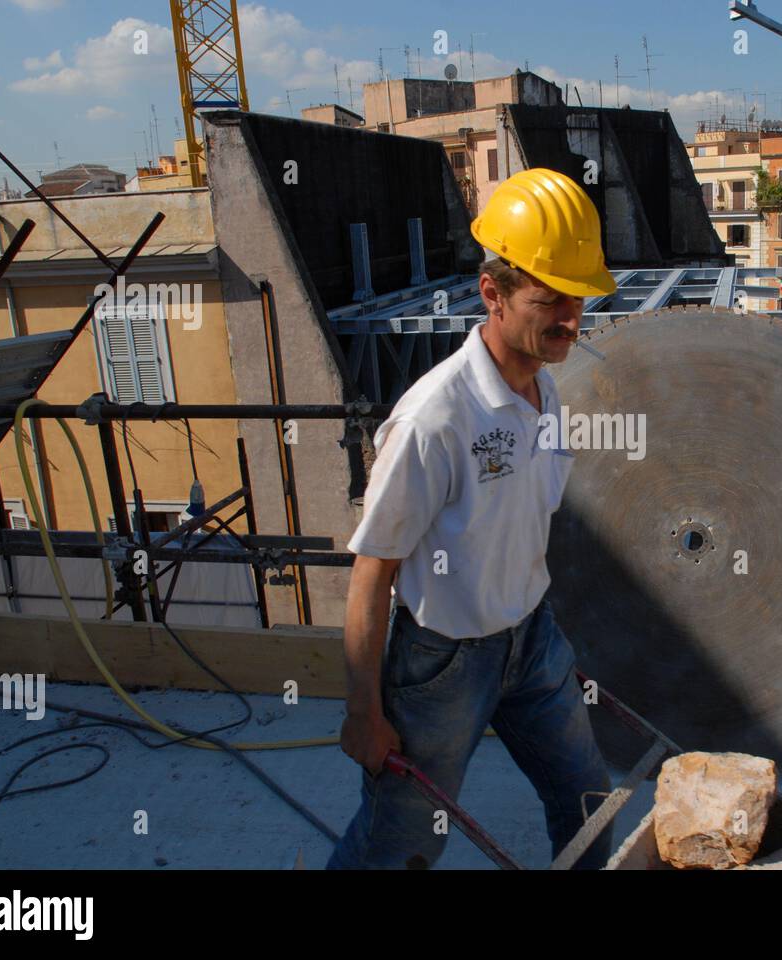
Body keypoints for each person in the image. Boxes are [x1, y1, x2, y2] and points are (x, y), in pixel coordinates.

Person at [326, 167, 619, 870]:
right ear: (492, 293)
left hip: (532, 640)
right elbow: (373, 574)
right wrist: (363, 711)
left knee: (589, 801)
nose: (572, 322)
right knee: (402, 845)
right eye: (551, 302)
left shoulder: (544, 387)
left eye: (579, 302)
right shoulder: (435, 419)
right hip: (445, 661)